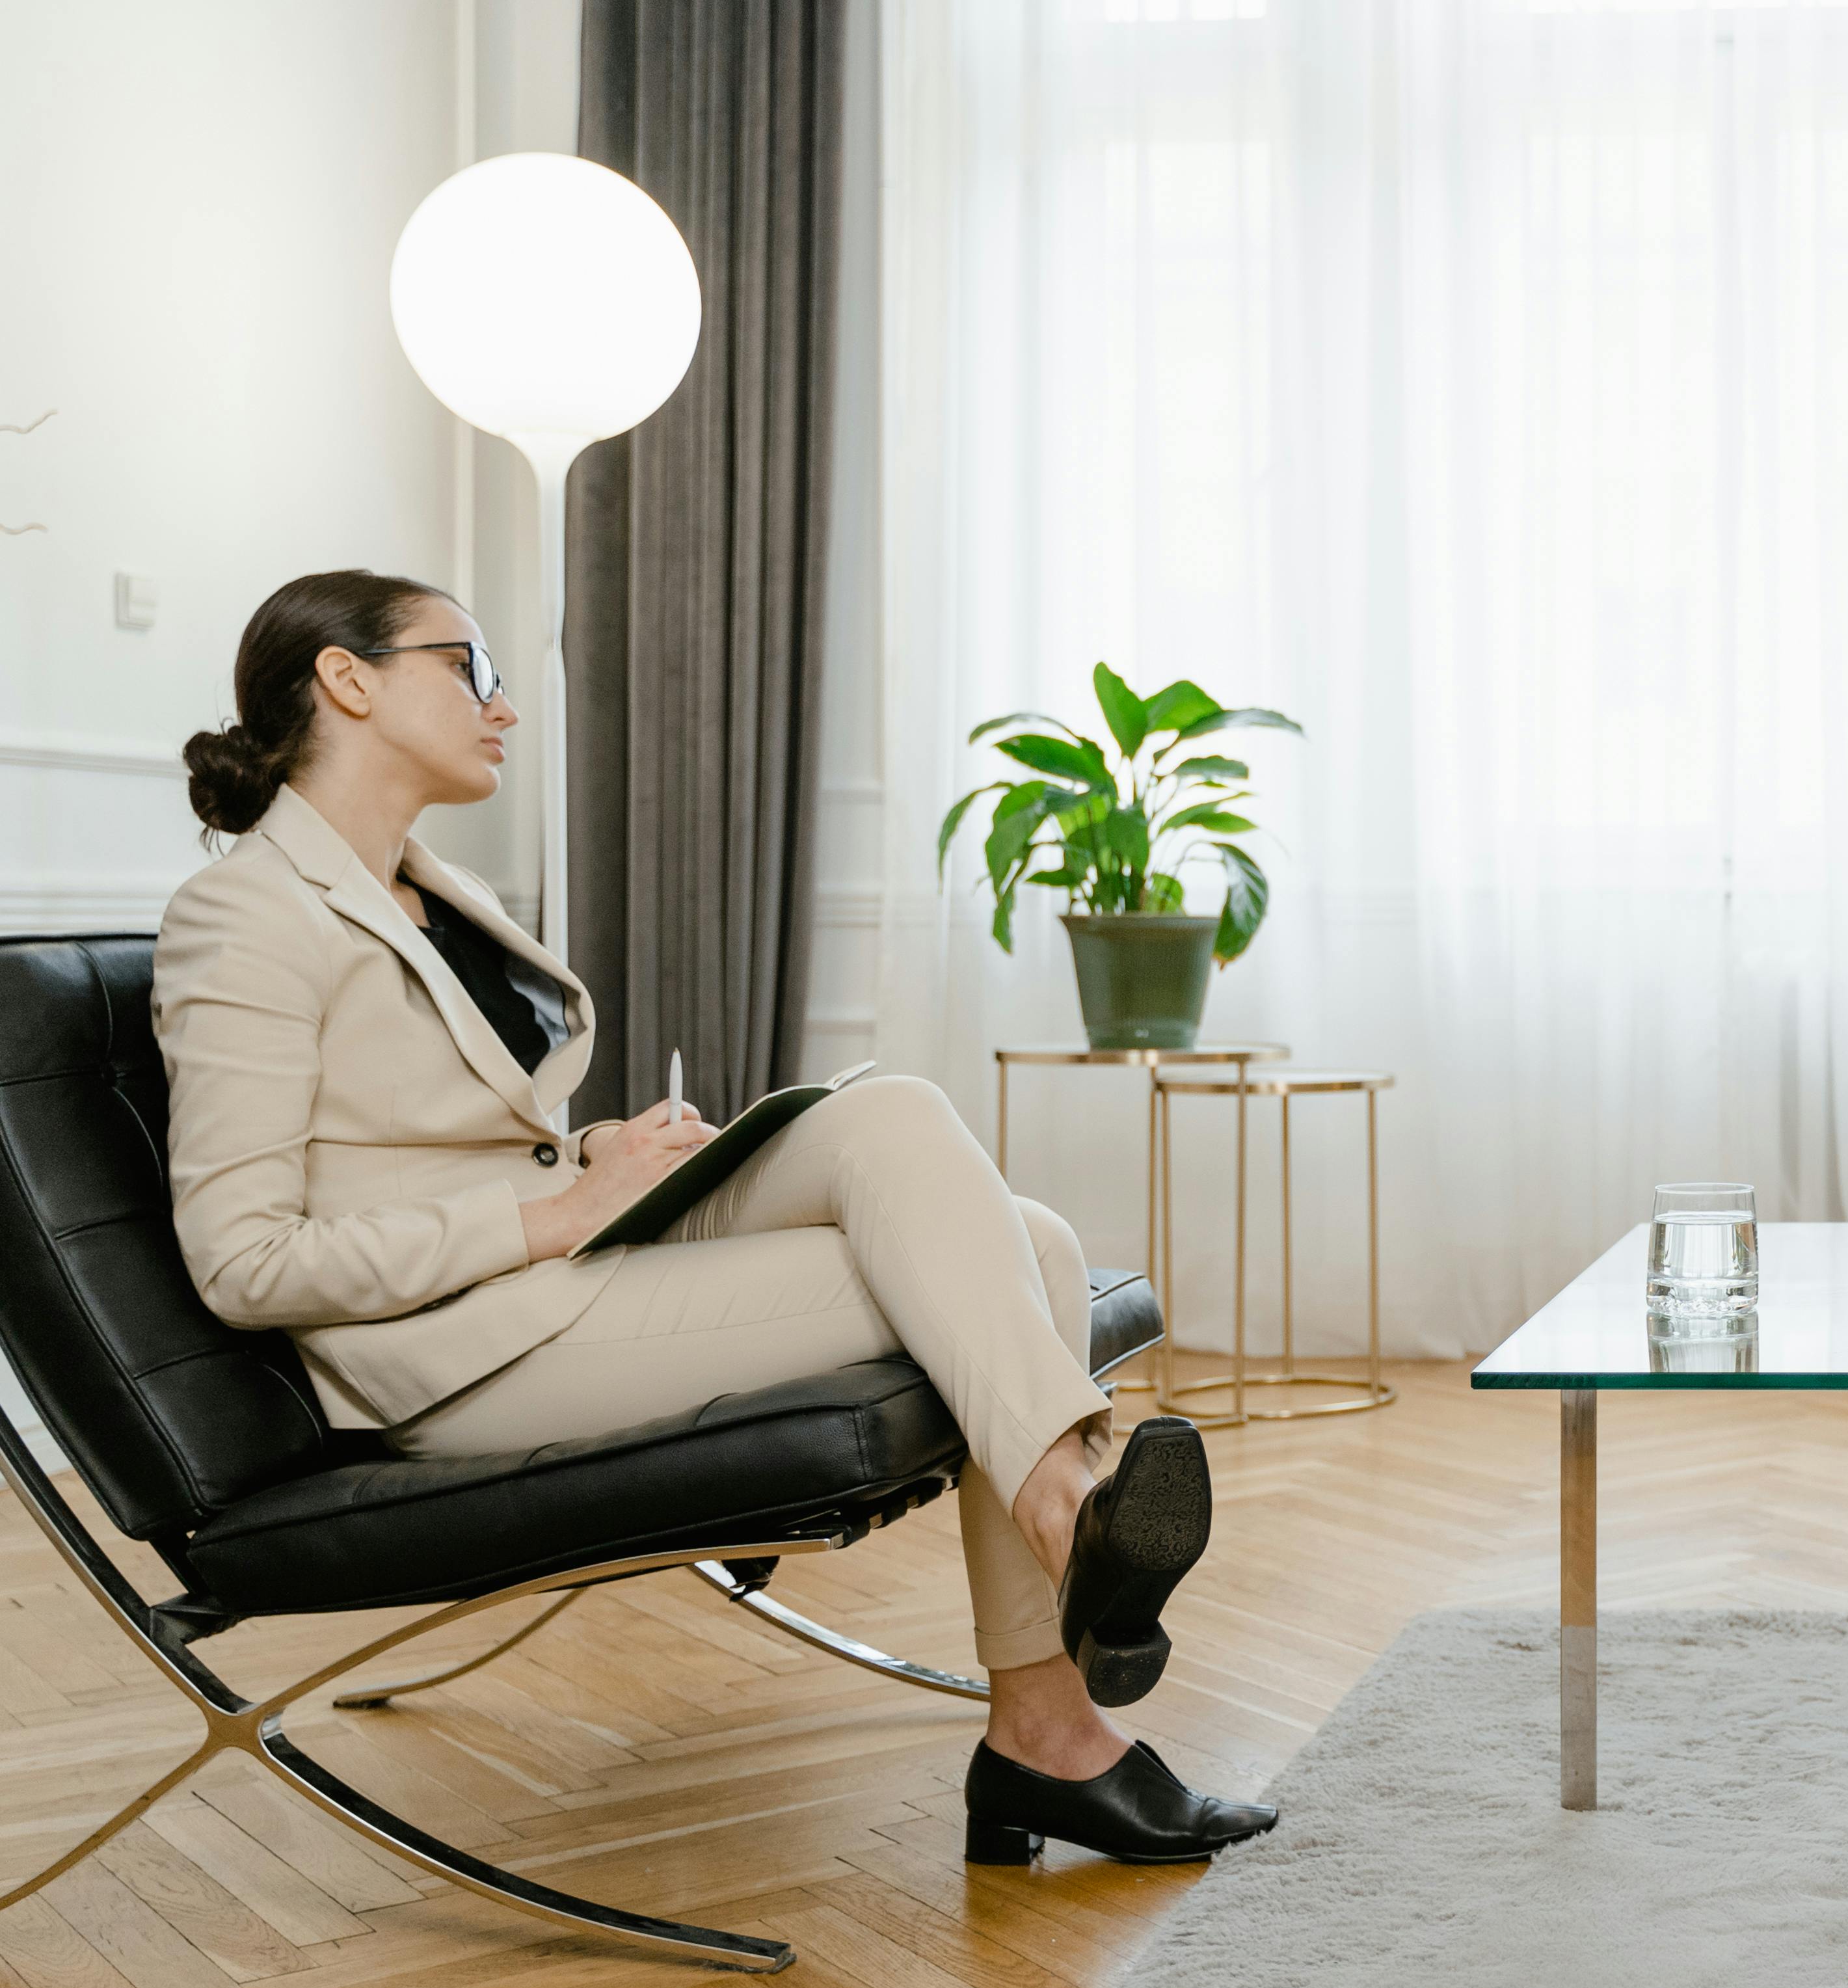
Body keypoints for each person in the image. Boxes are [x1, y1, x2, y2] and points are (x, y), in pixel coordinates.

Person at [157, 569, 1266, 1867]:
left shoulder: (429, 886)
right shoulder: (244, 915)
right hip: (465, 1346)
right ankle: (1065, 1592)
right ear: (346, 680)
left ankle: (1048, 1677)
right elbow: (246, 1261)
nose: (502, 704)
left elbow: (445, 1141)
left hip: (566, 1257)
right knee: (1009, 1259)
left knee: (934, 1151)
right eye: (471, 665)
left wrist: (595, 1156)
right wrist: (551, 1216)